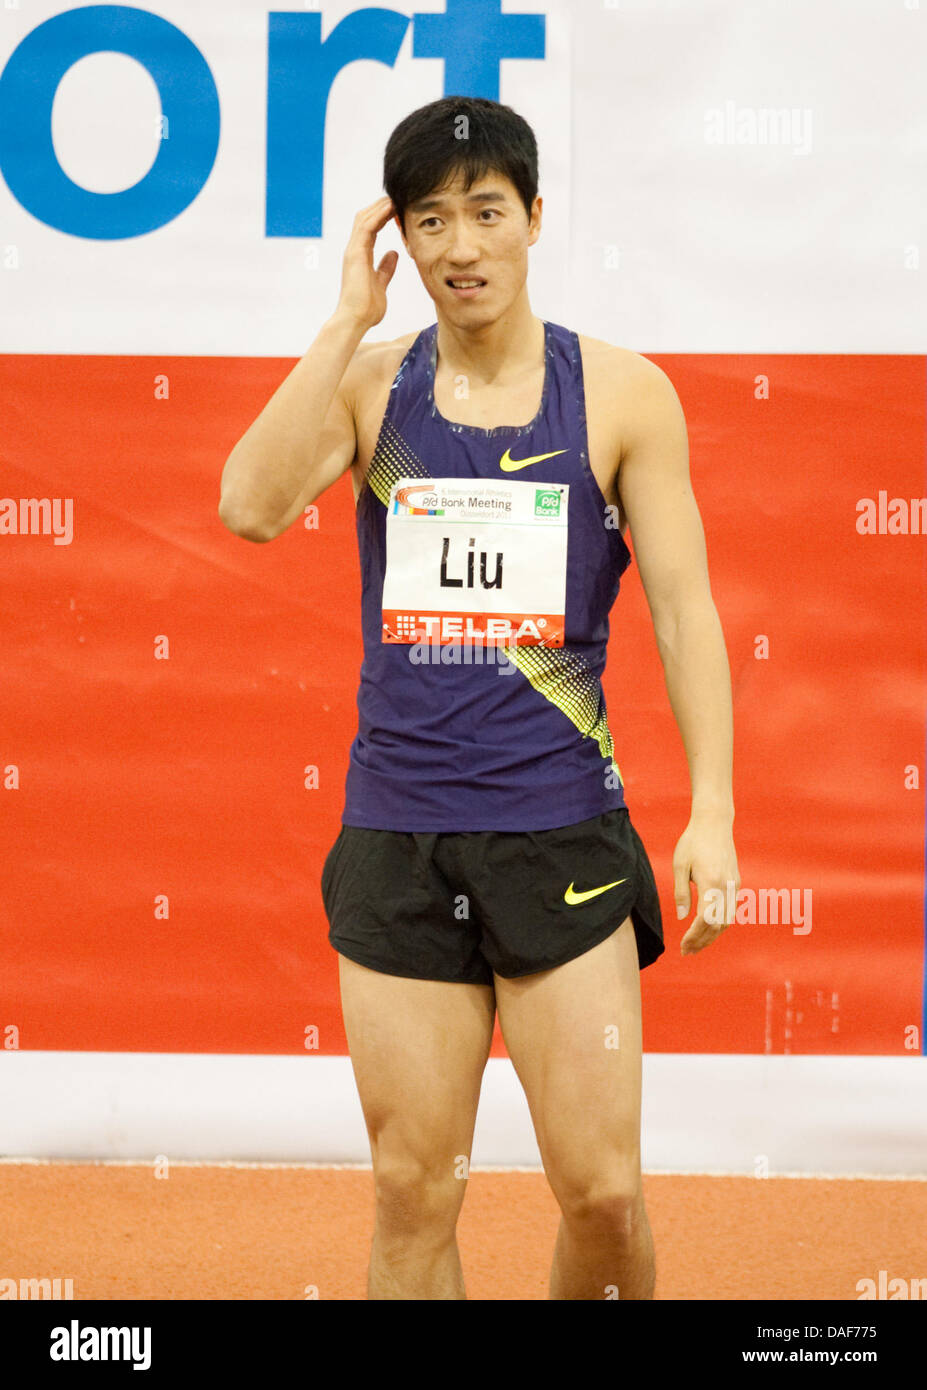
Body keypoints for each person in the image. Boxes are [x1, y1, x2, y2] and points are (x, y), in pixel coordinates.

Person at [219, 95, 740, 1301]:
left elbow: (683, 610)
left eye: (487, 213)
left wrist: (711, 809)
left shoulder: (619, 395)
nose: (461, 246)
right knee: (414, 1190)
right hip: (399, 837)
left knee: (604, 1195)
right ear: (401, 236)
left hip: (560, 834)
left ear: (534, 220)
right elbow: (247, 506)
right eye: (432, 219)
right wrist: (347, 318)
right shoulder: (370, 387)